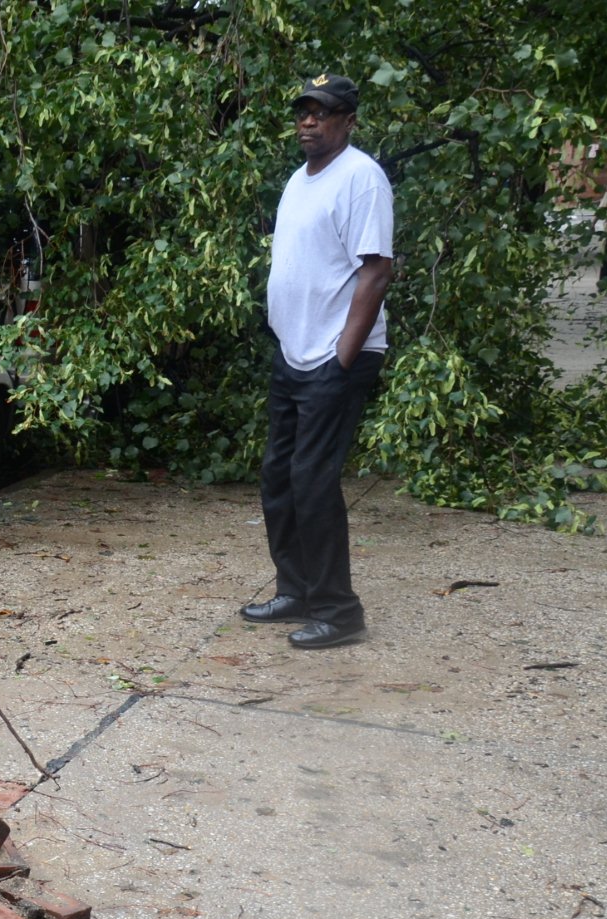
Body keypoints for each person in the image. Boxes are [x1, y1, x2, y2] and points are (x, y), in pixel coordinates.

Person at [244, 73, 393, 650]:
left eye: (322, 112)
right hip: (294, 354)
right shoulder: (299, 180)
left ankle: (339, 611)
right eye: (303, 110)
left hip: (336, 359)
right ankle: (297, 590)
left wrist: (342, 356)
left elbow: (376, 270)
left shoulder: (360, 177)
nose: (309, 120)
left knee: (312, 481)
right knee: (278, 478)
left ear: (348, 120)